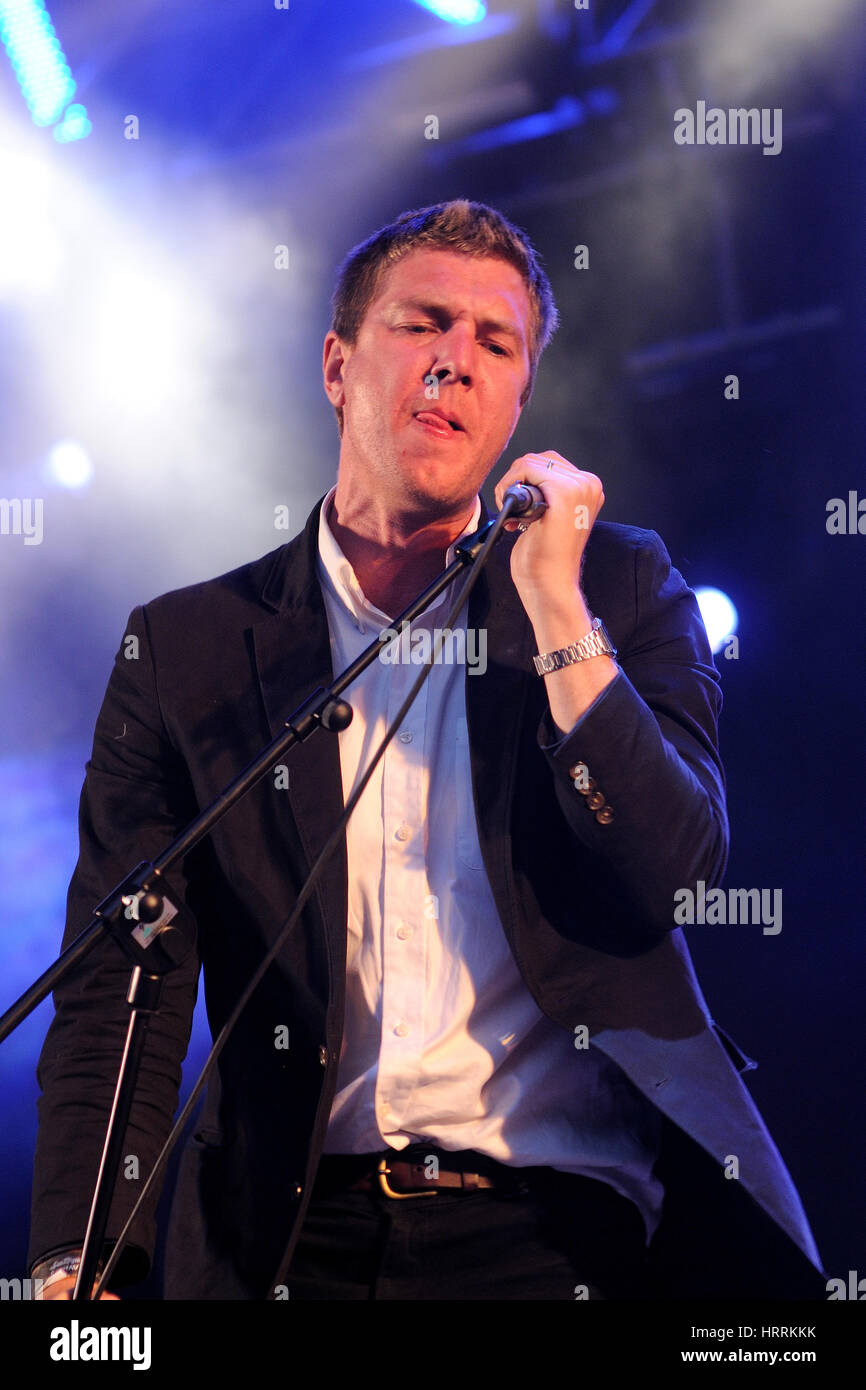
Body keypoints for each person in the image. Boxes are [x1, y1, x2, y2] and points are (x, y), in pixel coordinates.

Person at [28, 199, 824, 1301]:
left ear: (516, 402)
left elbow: (676, 867)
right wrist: (83, 1263)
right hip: (281, 1241)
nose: (456, 360)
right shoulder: (186, 649)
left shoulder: (619, 588)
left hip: (556, 1231)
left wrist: (552, 607)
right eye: (423, 324)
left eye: (494, 343)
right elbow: (126, 975)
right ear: (337, 364)